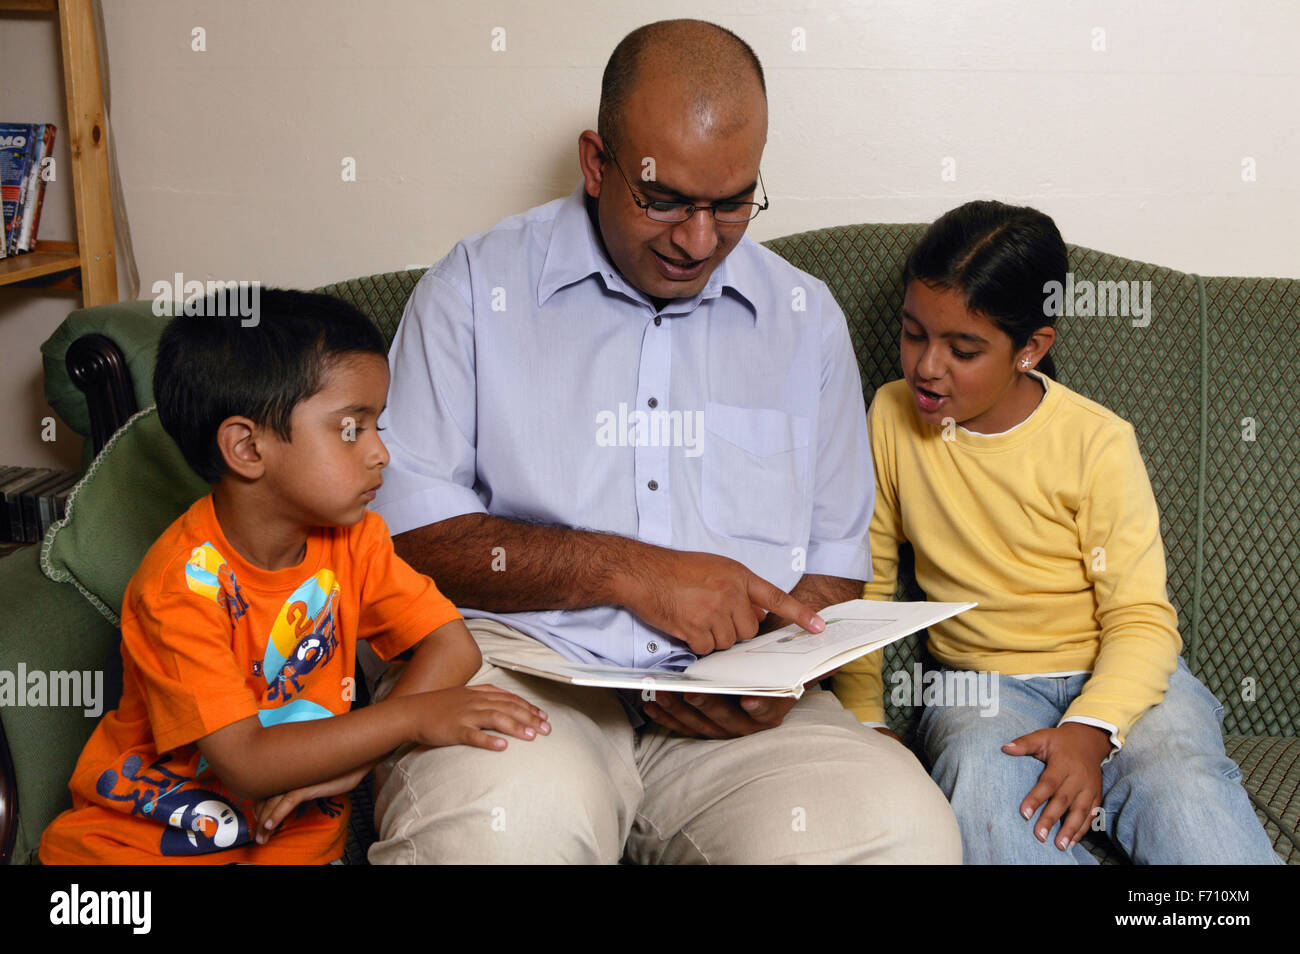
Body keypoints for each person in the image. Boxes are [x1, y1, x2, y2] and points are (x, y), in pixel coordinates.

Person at [367, 19, 961, 864]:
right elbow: (406, 538)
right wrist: (630, 570)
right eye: (665, 200)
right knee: (500, 834)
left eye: (731, 204)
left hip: (735, 712)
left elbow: (832, 565)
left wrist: (779, 676)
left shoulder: (805, 320)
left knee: (901, 832)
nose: (696, 241)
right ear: (597, 163)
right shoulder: (473, 288)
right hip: (522, 667)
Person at [832, 200, 1282, 864]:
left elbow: (1142, 619)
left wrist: (1091, 728)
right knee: (985, 794)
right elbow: (864, 581)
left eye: (963, 349)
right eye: (913, 333)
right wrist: (866, 716)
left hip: (1120, 677)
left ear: (1030, 349)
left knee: (1182, 788)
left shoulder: (1096, 442)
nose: (928, 366)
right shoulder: (889, 416)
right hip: (983, 686)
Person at [38, 289, 548, 864]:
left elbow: (450, 644)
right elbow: (247, 762)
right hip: (132, 851)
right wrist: (413, 717)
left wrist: (356, 759)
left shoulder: (355, 537)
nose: (381, 453)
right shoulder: (179, 587)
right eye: (352, 428)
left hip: (292, 844)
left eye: (378, 424)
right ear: (247, 448)